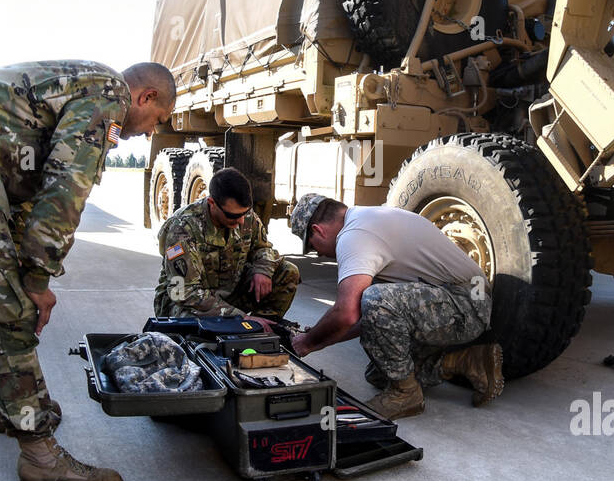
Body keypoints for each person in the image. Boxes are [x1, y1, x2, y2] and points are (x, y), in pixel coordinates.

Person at [0, 58, 175, 481]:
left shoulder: (90, 86)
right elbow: (64, 191)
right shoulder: (108, 97)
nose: (148, 133)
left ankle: (10, 406)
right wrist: (35, 280)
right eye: (156, 120)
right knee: (2, 306)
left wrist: (27, 269)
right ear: (145, 96)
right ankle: (40, 457)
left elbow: (30, 192)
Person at [286, 193, 502, 419]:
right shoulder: (366, 218)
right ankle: (467, 361)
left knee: (375, 299)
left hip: (467, 303)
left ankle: (406, 394)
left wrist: (306, 344)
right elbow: (367, 319)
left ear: (319, 230)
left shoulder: (353, 236)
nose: (318, 253)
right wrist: (320, 335)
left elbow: (347, 313)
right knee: (380, 373)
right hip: (459, 301)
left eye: (312, 246)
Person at [154, 166, 299, 327]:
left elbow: (262, 248)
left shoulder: (244, 215)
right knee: (196, 330)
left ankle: (259, 329)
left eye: (245, 213)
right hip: (187, 303)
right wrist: (239, 317)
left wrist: (262, 270)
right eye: (233, 216)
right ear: (212, 203)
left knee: (287, 271)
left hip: (230, 293)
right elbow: (183, 292)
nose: (242, 221)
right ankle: (238, 329)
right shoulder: (182, 229)